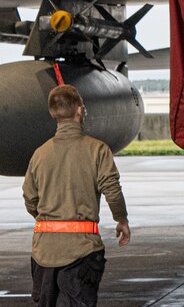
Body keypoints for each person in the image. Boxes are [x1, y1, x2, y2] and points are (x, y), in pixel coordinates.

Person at [23, 84, 130, 307]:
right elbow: (112, 190)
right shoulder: (97, 150)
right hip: (82, 251)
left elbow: (30, 197)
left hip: (43, 252)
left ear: (53, 114)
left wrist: (51, 219)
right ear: (80, 111)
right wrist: (121, 219)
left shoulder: (39, 154)